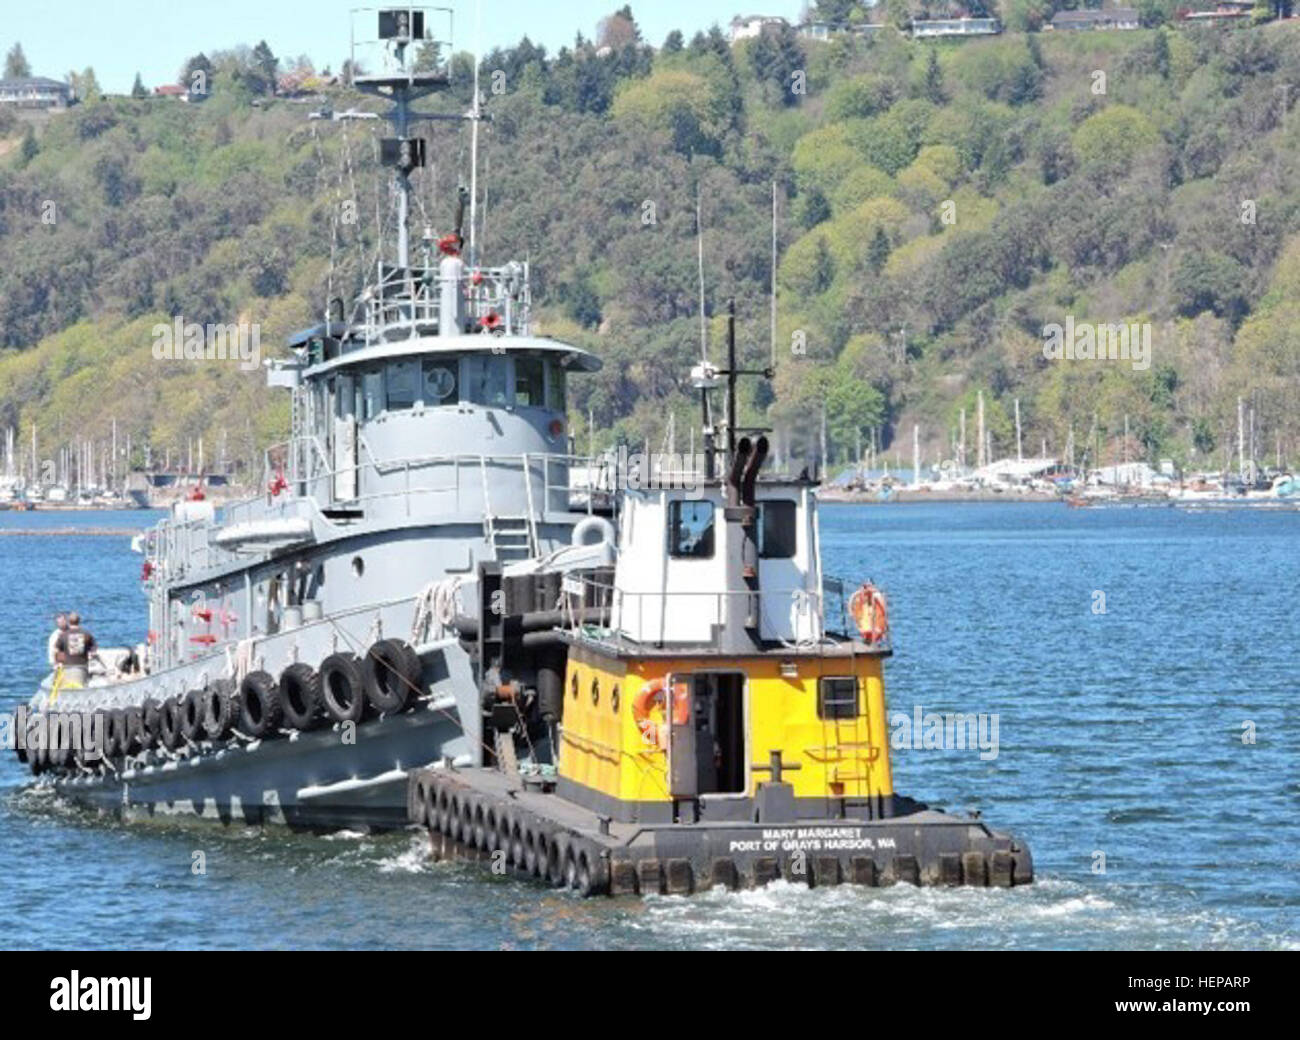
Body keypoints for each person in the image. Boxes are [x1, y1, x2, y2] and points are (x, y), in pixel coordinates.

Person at [54, 612, 98, 688]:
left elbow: (56, 650)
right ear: (79, 621)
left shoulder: (63, 636)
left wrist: (58, 663)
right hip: (82, 668)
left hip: (67, 668)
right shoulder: (87, 634)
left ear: (68, 621)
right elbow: (94, 650)